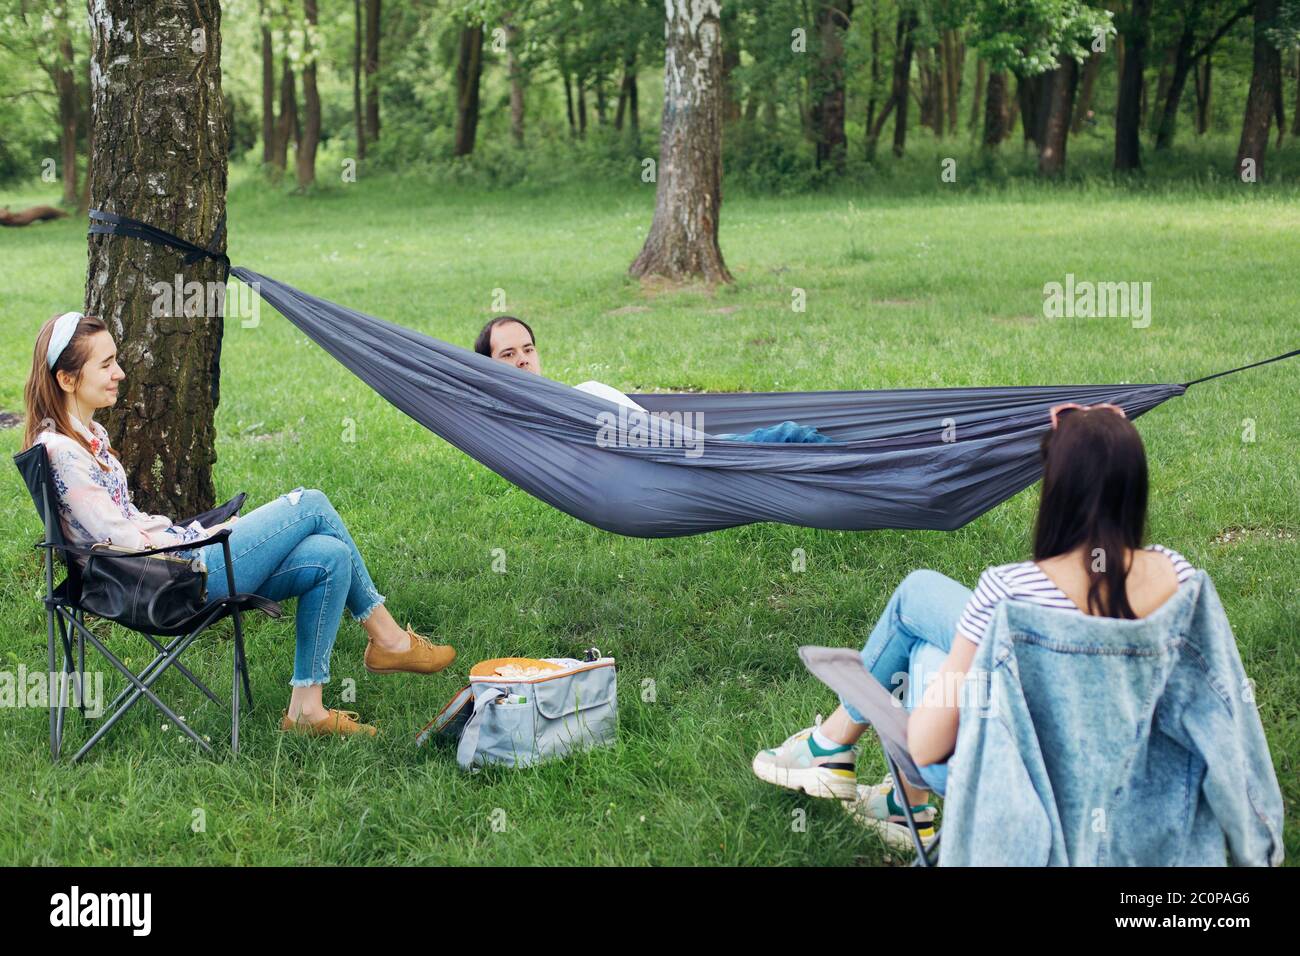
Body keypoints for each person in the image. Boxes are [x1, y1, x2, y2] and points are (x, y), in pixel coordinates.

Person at [752, 401, 1197, 848]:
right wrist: (1103, 440)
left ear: (1055, 490)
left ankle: (837, 753)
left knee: (924, 640)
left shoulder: (1009, 591)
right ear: (1136, 486)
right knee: (928, 612)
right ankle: (883, 793)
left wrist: (1079, 442)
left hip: (1016, 781)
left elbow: (927, 749)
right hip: (1128, 778)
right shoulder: (1180, 579)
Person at [23, 311, 455, 737]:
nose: (119, 372)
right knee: (311, 504)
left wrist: (194, 532)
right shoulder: (63, 452)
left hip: (173, 565)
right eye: (106, 364)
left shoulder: (86, 436)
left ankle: (307, 710)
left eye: (115, 359)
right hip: (172, 584)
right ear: (67, 379)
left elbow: (126, 525)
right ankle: (391, 641)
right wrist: (206, 534)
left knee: (331, 556)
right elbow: (122, 541)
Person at [472, 316, 836, 443]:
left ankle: (871, 469)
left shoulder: (565, 395)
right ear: (489, 365)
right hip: (679, 455)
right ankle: (874, 474)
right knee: (791, 435)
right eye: (508, 354)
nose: (522, 360)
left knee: (792, 437)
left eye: (528, 349)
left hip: (682, 440)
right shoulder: (528, 415)